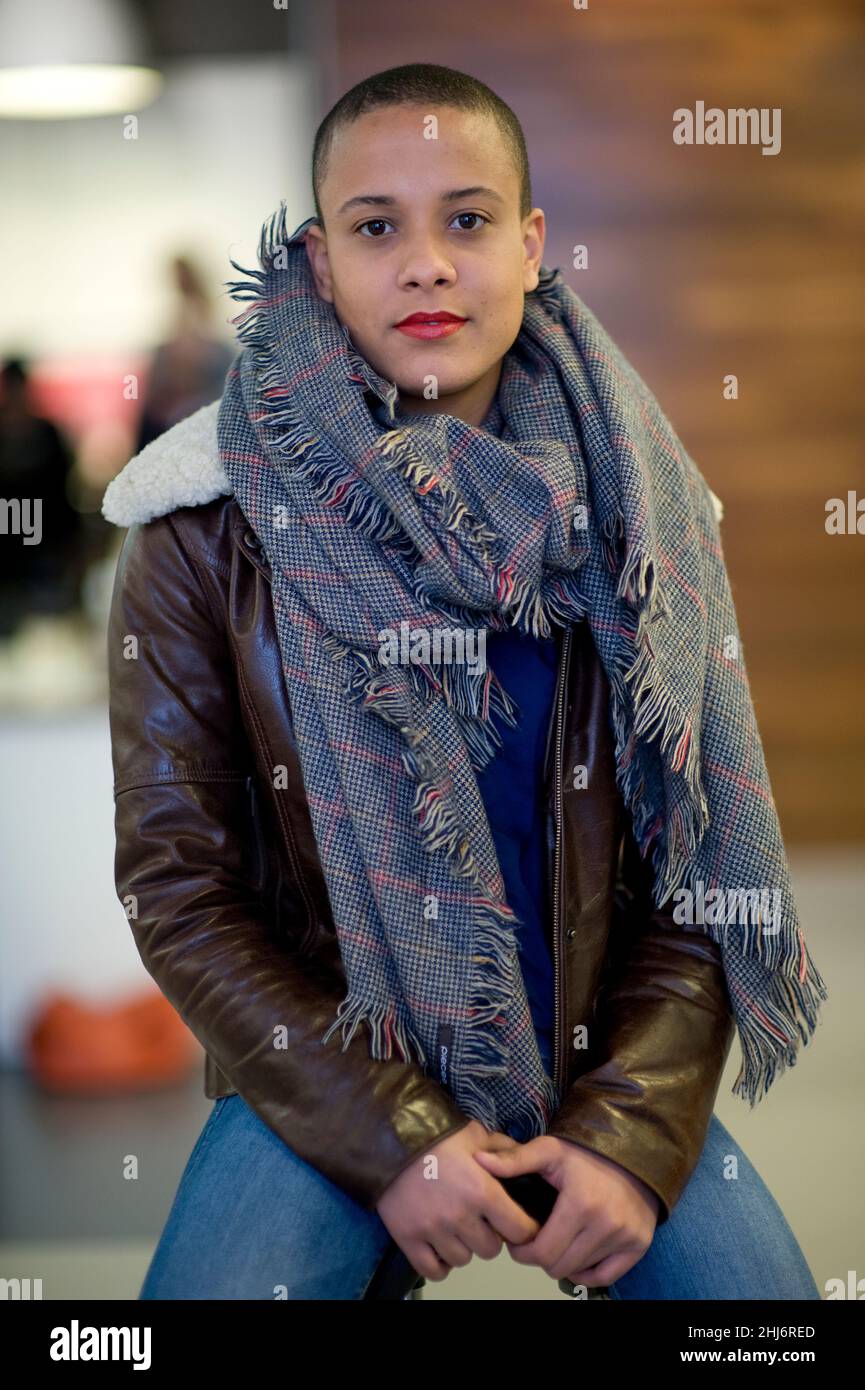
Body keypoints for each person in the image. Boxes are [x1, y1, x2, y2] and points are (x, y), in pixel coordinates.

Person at [102, 63, 826, 1300]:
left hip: (601, 1068)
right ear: (321, 262)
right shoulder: (199, 519)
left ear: (533, 246)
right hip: (332, 1071)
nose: (427, 262)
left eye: (469, 220)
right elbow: (181, 886)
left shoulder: (646, 513)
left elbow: (707, 870)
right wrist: (389, 1134)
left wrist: (633, 1132)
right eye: (377, 226)